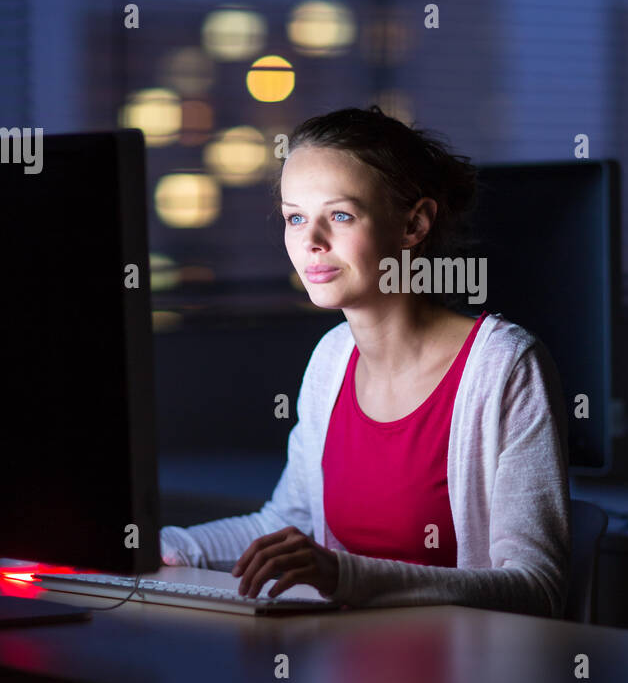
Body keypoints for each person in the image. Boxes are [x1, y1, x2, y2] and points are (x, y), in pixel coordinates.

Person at [160, 105, 571, 616]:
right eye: (294, 217)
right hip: (341, 671)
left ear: (414, 224)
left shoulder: (505, 366)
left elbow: (538, 587)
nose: (310, 241)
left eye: (340, 215)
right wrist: (154, 544)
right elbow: (285, 525)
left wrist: (342, 574)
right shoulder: (331, 360)